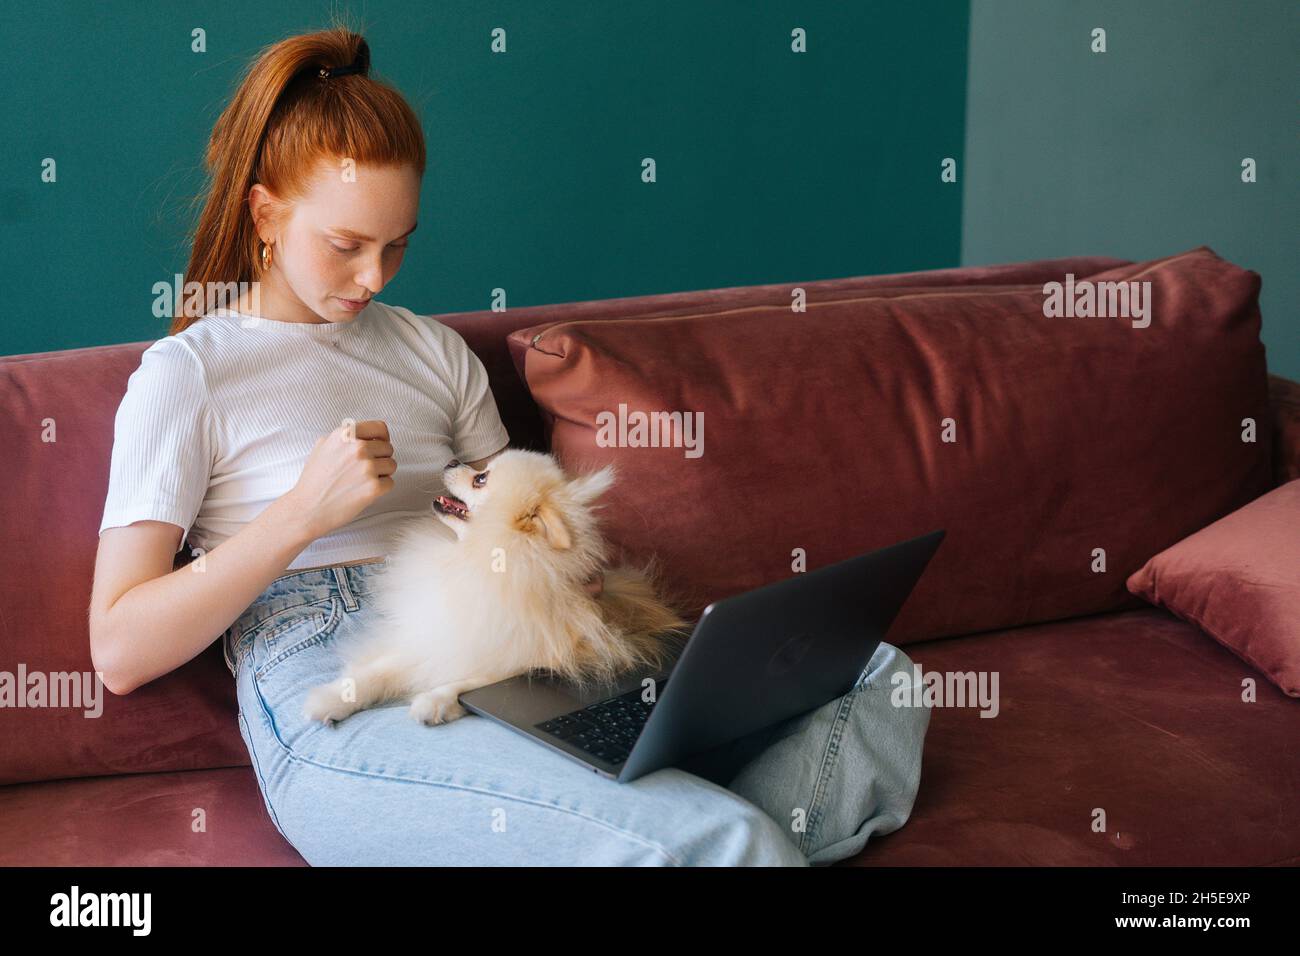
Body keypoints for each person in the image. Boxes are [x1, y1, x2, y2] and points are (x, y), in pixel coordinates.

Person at [88, 24, 931, 866]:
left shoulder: (432, 351)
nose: (376, 278)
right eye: (346, 246)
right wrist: (298, 516)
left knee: (874, 672)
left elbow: (518, 515)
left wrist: (570, 574)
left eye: (398, 245)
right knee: (720, 836)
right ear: (264, 211)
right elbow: (120, 650)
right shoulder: (188, 375)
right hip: (338, 675)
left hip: (506, 645)